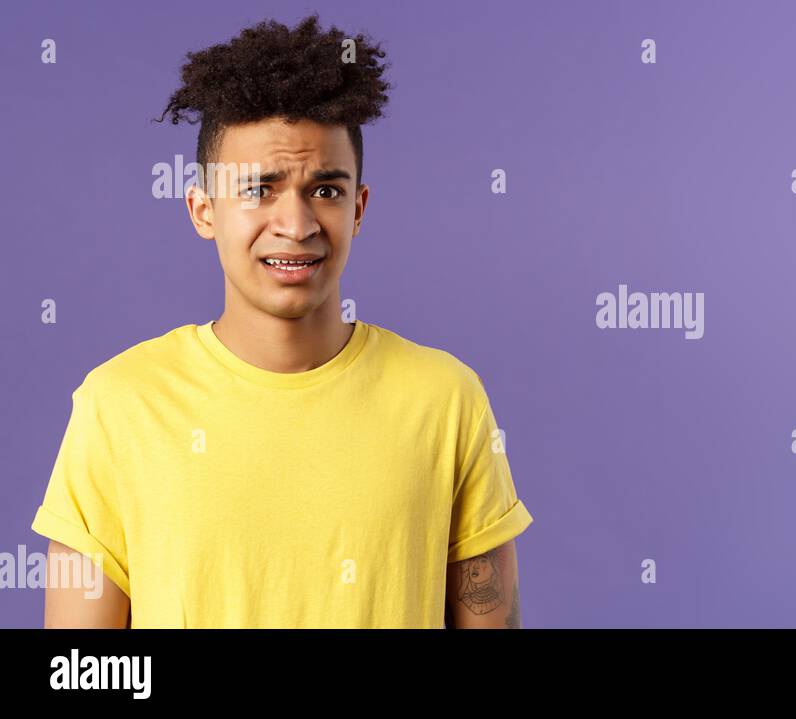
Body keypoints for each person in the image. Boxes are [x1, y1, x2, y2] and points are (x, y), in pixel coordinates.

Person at [31, 14, 532, 628]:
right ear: (203, 209)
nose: (295, 225)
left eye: (325, 190)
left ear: (359, 208)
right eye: (258, 188)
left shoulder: (447, 399)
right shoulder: (117, 405)